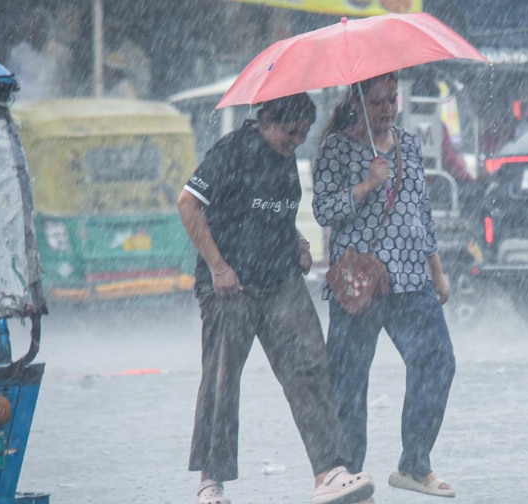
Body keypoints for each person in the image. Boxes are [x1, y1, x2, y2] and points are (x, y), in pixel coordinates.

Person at [176, 93, 375, 504]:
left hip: (280, 280)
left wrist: (299, 242)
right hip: (231, 286)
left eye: (303, 133)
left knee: (310, 367)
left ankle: (330, 471)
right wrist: (217, 267)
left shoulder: (285, 159)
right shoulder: (232, 151)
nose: (296, 141)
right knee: (222, 379)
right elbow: (188, 205)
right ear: (266, 119)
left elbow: (275, 215)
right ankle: (211, 482)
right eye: (290, 131)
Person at [313, 72, 457, 500]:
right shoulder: (335, 149)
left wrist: (437, 269)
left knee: (438, 362)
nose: (388, 109)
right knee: (349, 383)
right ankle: (350, 475)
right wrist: (365, 186)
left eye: (392, 99)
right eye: (378, 101)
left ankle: (414, 464)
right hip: (360, 284)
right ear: (357, 102)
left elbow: (420, 211)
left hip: (412, 279)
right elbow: (323, 210)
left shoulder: (409, 145)